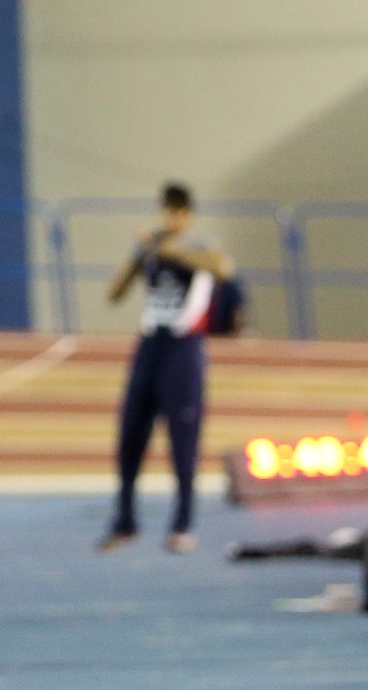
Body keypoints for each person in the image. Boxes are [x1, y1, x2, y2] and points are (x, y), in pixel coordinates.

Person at [99, 182, 232, 554]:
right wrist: (140, 255)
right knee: (129, 435)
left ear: (188, 216)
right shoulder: (150, 248)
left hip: (184, 347)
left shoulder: (200, 246)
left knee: (183, 439)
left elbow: (223, 269)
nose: (171, 219)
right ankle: (125, 519)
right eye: (167, 212)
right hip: (150, 345)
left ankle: (183, 523)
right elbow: (114, 293)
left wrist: (171, 250)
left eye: (178, 213)